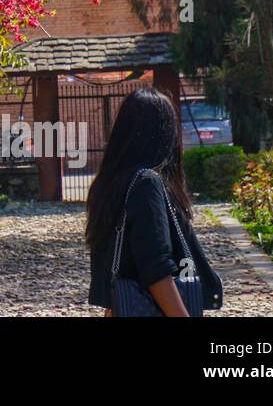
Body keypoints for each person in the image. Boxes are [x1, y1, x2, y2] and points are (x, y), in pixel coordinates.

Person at [85, 87, 223, 316]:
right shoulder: (146, 184)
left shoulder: (110, 184)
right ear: (165, 134)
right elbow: (155, 268)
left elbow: (118, 267)